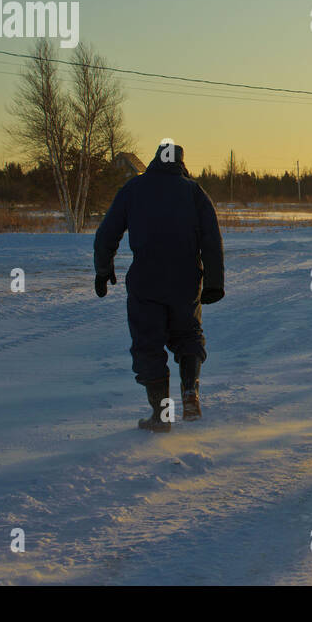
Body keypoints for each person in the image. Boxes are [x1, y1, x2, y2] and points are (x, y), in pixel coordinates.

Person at [93, 142, 224, 432]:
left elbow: (107, 233)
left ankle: (160, 415)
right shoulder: (193, 192)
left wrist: (103, 269)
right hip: (185, 280)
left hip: (146, 281)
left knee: (148, 344)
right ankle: (190, 391)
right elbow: (212, 239)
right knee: (188, 334)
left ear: (155, 159)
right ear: (181, 161)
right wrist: (214, 283)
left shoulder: (133, 189)